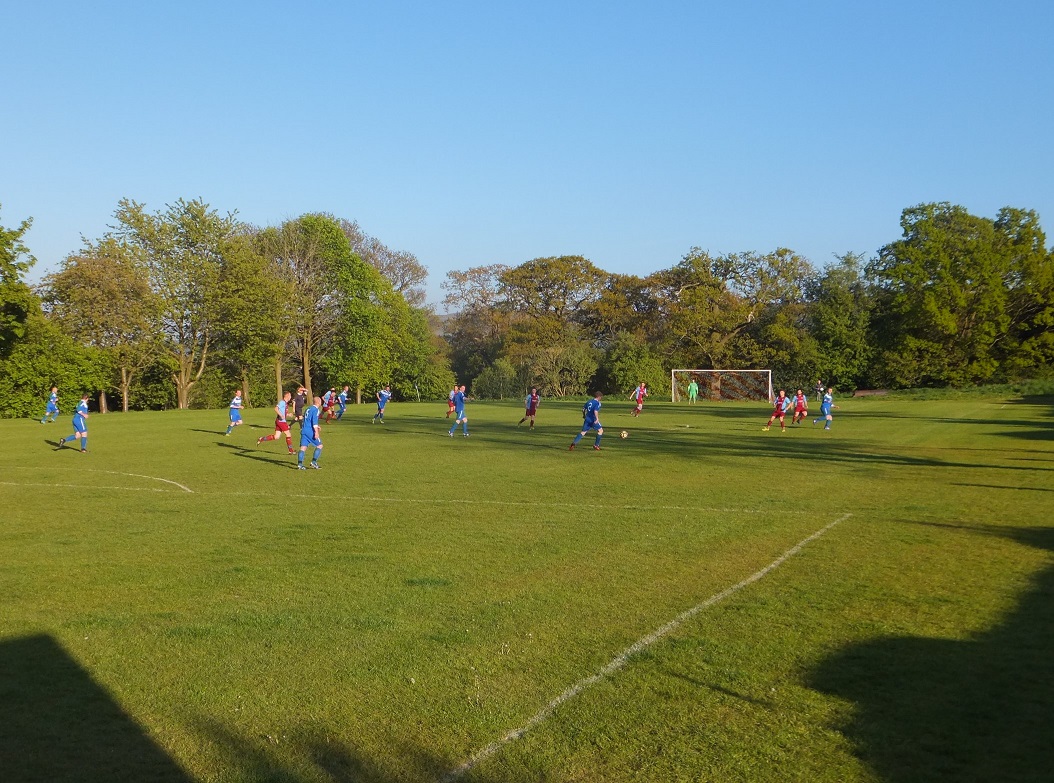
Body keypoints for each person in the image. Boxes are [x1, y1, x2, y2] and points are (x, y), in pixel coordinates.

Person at [296, 395, 323, 470]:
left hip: (304, 430)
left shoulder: (308, 408)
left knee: (303, 447)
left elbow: (307, 420)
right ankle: (313, 462)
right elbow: (314, 422)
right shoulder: (316, 410)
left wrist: (317, 426)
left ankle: (300, 465)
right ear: (318, 402)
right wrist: (316, 432)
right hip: (310, 431)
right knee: (320, 445)